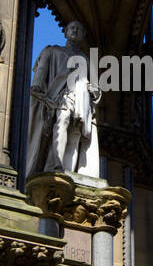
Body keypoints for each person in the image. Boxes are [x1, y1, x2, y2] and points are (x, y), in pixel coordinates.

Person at [26, 21, 101, 177]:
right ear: (65, 32)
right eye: (72, 27)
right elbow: (38, 81)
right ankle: (55, 164)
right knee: (62, 122)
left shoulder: (87, 60)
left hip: (82, 98)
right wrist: (43, 96)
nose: (75, 30)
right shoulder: (52, 51)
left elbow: (96, 87)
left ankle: (68, 170)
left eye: (79, 28)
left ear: (83, 35)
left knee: (76, 131)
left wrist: (93, 90)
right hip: (60, 96)